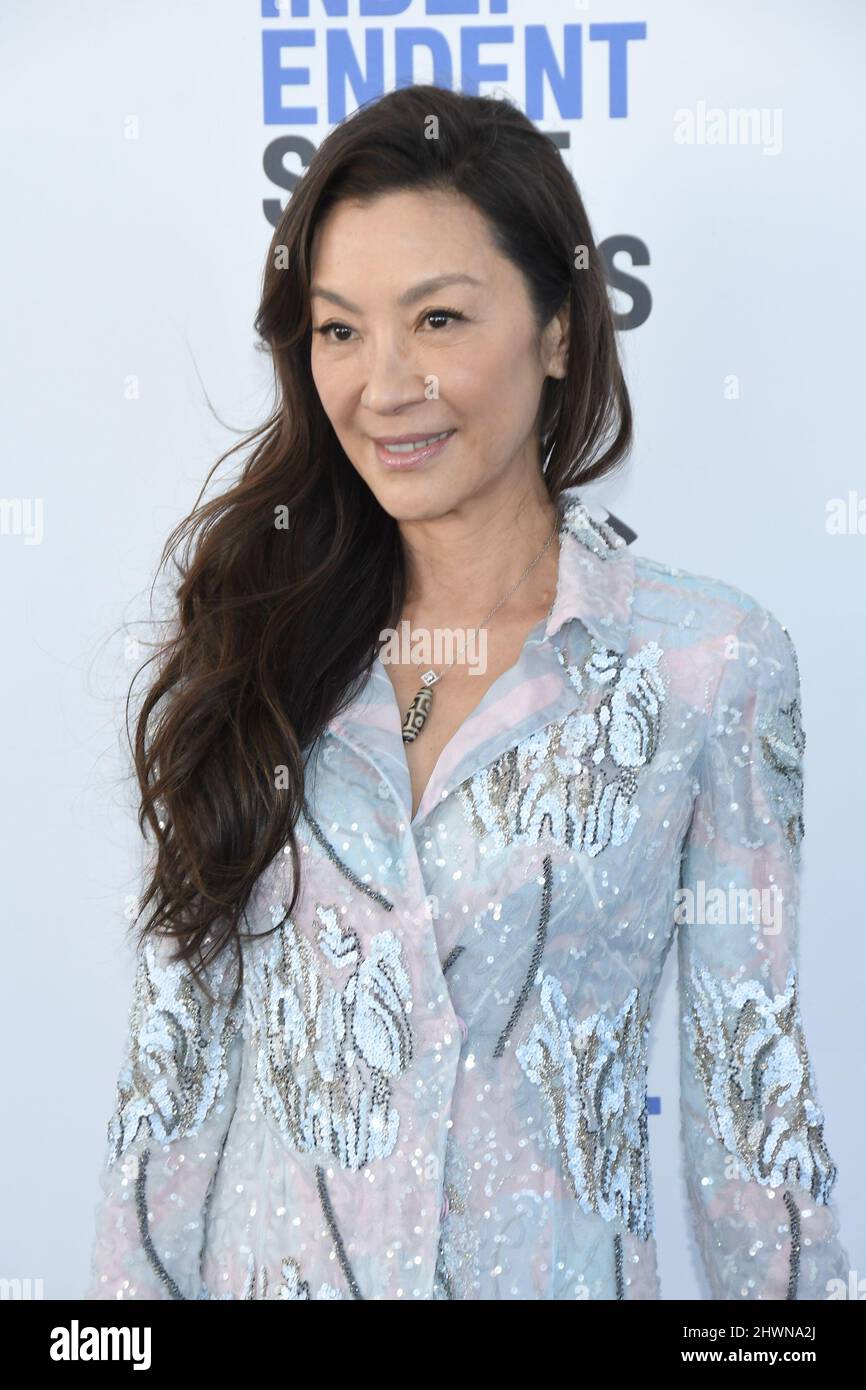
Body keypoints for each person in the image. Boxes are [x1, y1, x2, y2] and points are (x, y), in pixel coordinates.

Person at [85, 84, 849, 1301]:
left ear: (556, 330)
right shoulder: (254, 642)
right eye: (338, 331)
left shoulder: (708, 665)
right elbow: (168, 1093)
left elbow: (747, 1098)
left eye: (436, 318)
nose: (382, 384)